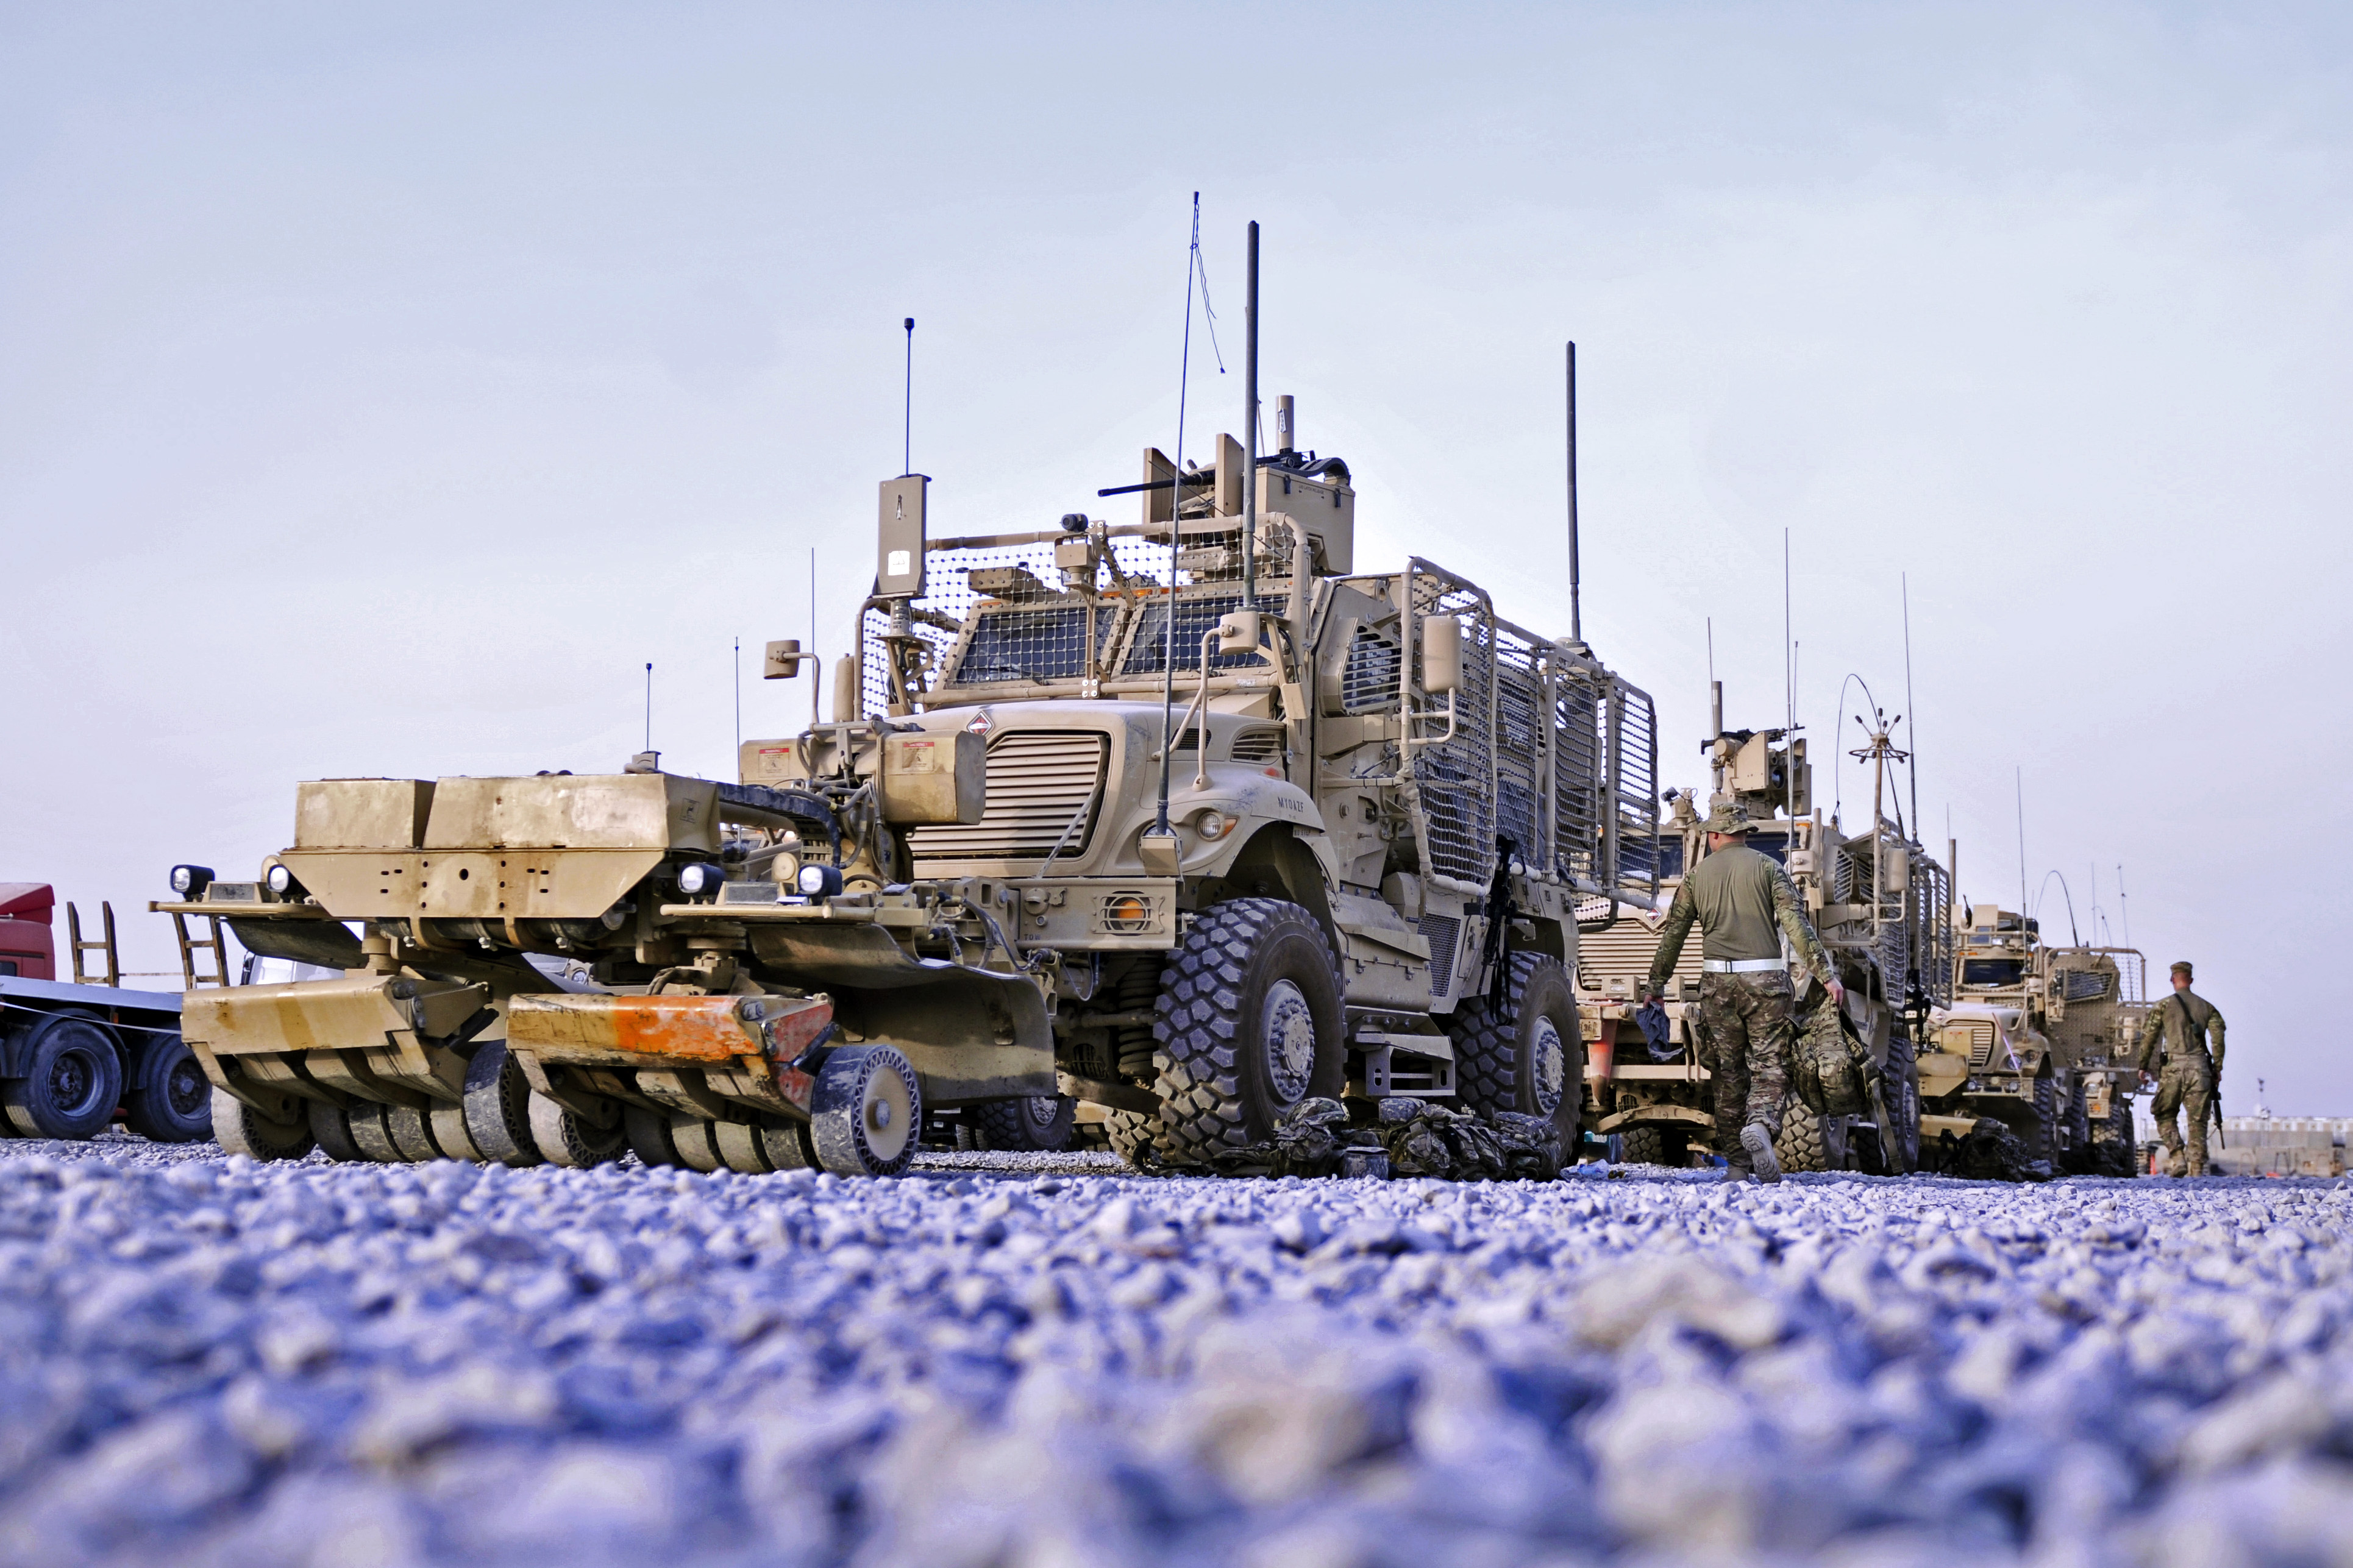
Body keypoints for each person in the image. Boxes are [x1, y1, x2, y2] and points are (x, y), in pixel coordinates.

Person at [1644, 803, 1842, 1182]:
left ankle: (1737, 1164)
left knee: (1728, 1075)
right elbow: (1797, 928)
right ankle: (1762, 1124)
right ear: (1745, 833)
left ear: (1715, 835)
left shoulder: (1696, 876)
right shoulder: (1770, 869)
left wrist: (1655, 986)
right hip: (1766, 985)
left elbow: (1673, 937)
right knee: (1770, 1065)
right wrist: (1826, 975)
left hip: (1717, 988)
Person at [2139, 959, 2225, 1177]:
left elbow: (2149, 1037)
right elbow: (2218, 1038)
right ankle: (2196, 1169)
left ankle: (2178, 1157)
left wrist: (2143, 1066)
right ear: (2191, 980)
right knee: (2198, 1121)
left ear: (2172, 980)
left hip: (2173, 1069)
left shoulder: (2163, 1006)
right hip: (2200, 1069)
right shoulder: (2207, 1007)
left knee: (2164, 1113)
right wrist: (2217, 1066)